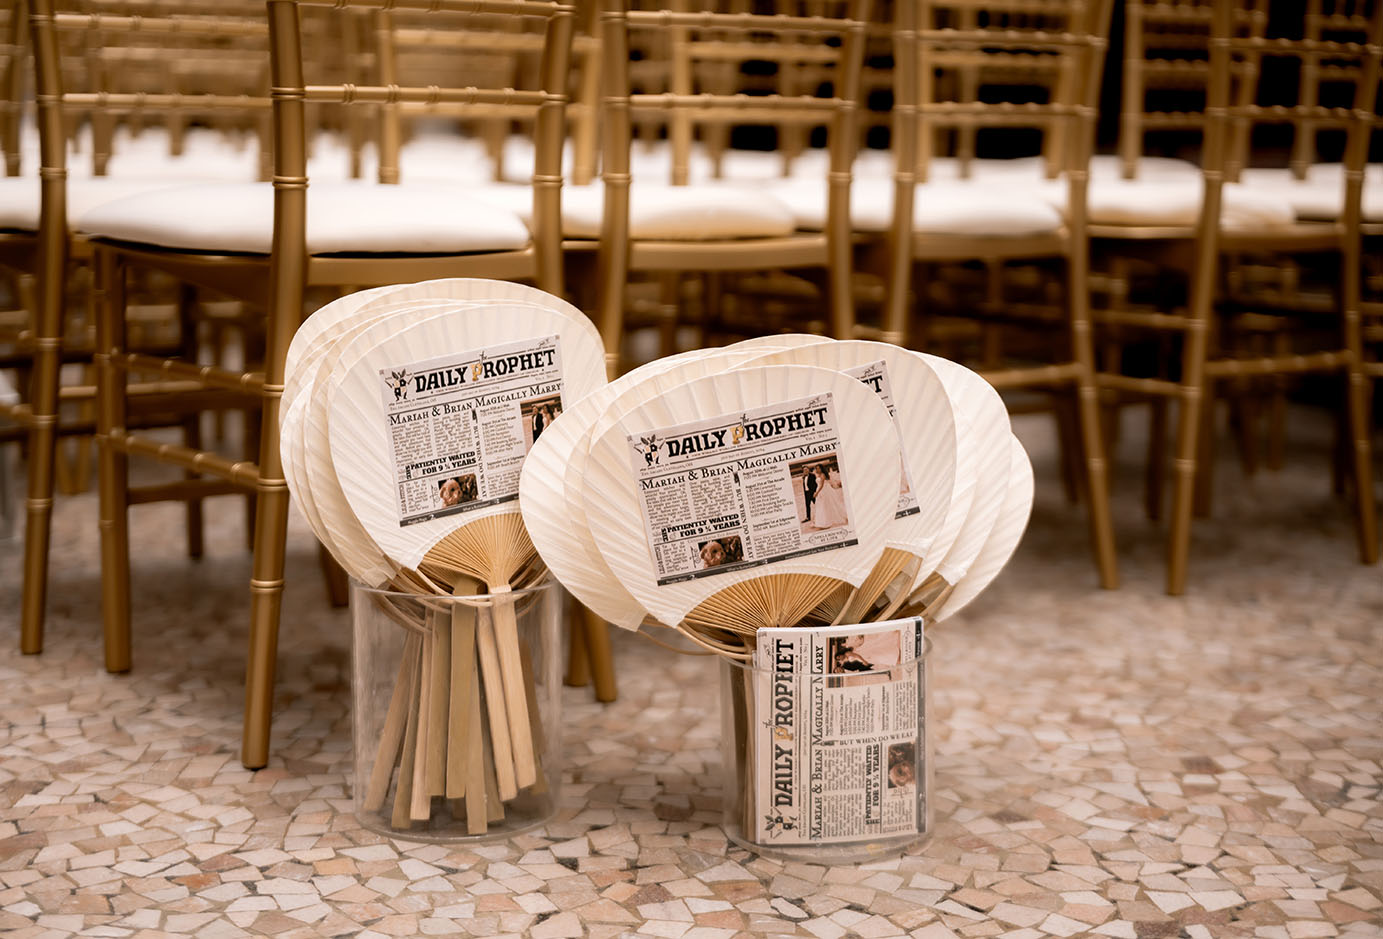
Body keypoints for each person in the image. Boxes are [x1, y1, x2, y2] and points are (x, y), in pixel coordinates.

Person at [810, 465, 848, 529]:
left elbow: (821, 485)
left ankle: (825, 522)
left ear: (821, 469)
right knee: (821, 505)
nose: (818, 469)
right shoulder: (818, 475)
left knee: (824, 505)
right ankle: (820, 521)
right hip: (820, 490)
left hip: (823, 490)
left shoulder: (822, 475)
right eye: (816, 468)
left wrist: (816, 493)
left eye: (819, 468)